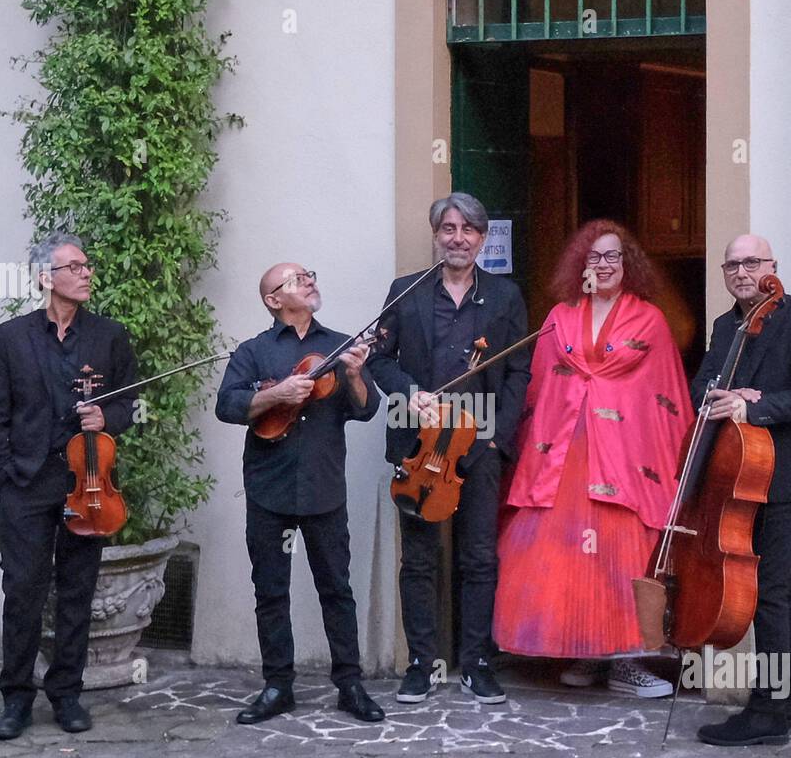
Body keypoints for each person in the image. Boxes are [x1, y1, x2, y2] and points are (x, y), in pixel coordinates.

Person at [494, 220, 693, 695]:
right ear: (580, 265)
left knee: (620, 557)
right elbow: (538, 386)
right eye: (594, 257)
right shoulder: (559, 317)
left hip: (625, 459)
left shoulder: (650, 320)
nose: (603, 265)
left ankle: (625, 662)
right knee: (567, 558)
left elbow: (664, 393)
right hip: (563, 457)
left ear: (627, 265)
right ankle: (584, 653)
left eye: (613, 256)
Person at [368, 193, 531, 705]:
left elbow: (519, 372)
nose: (457, 237)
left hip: (479, 447)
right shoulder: (406, 290)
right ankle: (421, 663)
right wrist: (409, 393)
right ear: (436, 234)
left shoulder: (505, 297)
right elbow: (379, 359)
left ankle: (477, 662)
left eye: (468, 229)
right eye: (448, 228)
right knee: (418, 559)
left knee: (479, 557)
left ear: (482, 239)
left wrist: (498, 437)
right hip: (419, 447)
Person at [0, 231, 138, 740]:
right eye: (75, 267)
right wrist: (3, 473)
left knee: (77, 590)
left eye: (88, 266)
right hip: (26, 484)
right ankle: (16, 699)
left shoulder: (109, 335)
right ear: (45, 277)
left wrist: (106, 416)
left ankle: (67, 694)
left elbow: (130, 405)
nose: (86, 273)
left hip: (87, 483)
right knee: (22, 591)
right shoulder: (12, 337)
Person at [215, 263, 384, 725]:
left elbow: (367, 410)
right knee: (270, 591)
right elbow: (227, 406)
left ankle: (349, 683)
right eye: (296, 279)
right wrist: (276, 396)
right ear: (274, 299)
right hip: (269, 487)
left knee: (337, 589)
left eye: (309, 274)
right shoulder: (252, 352)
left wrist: (353, 376)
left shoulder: (341, 346)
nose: (309, 281)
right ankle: (278, 686)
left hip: (323, 486)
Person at [693, 234, 791, 746]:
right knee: (778, 586)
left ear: (772, 265)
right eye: (731, 264)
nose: (740, 272)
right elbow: (702, 386)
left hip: (789, 476)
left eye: (751, 262)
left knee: (767, 587)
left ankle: (767, 711)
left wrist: (756, 406)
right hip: (739, 477)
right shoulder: (725, 326)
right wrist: (716, 397)